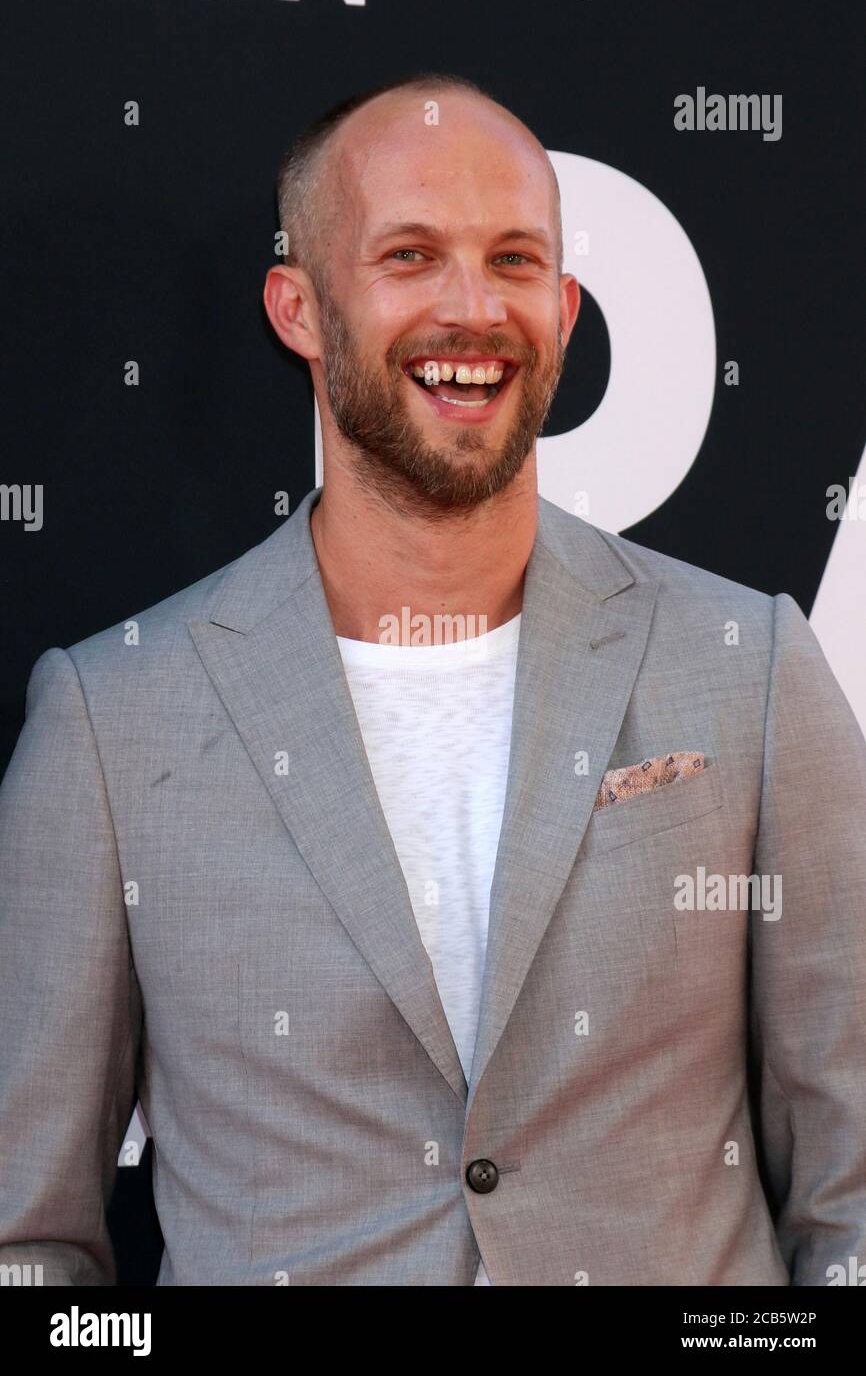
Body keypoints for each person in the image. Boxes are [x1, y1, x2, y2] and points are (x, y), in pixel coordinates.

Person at [1, 71, 865, 1287]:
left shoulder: (752, 669)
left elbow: (853, 1186)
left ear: (564, 307)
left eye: (514, 261)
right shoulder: (109, 723)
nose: (474, 309)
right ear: (297, 308)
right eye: (409, 255)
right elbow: (25, 1240)